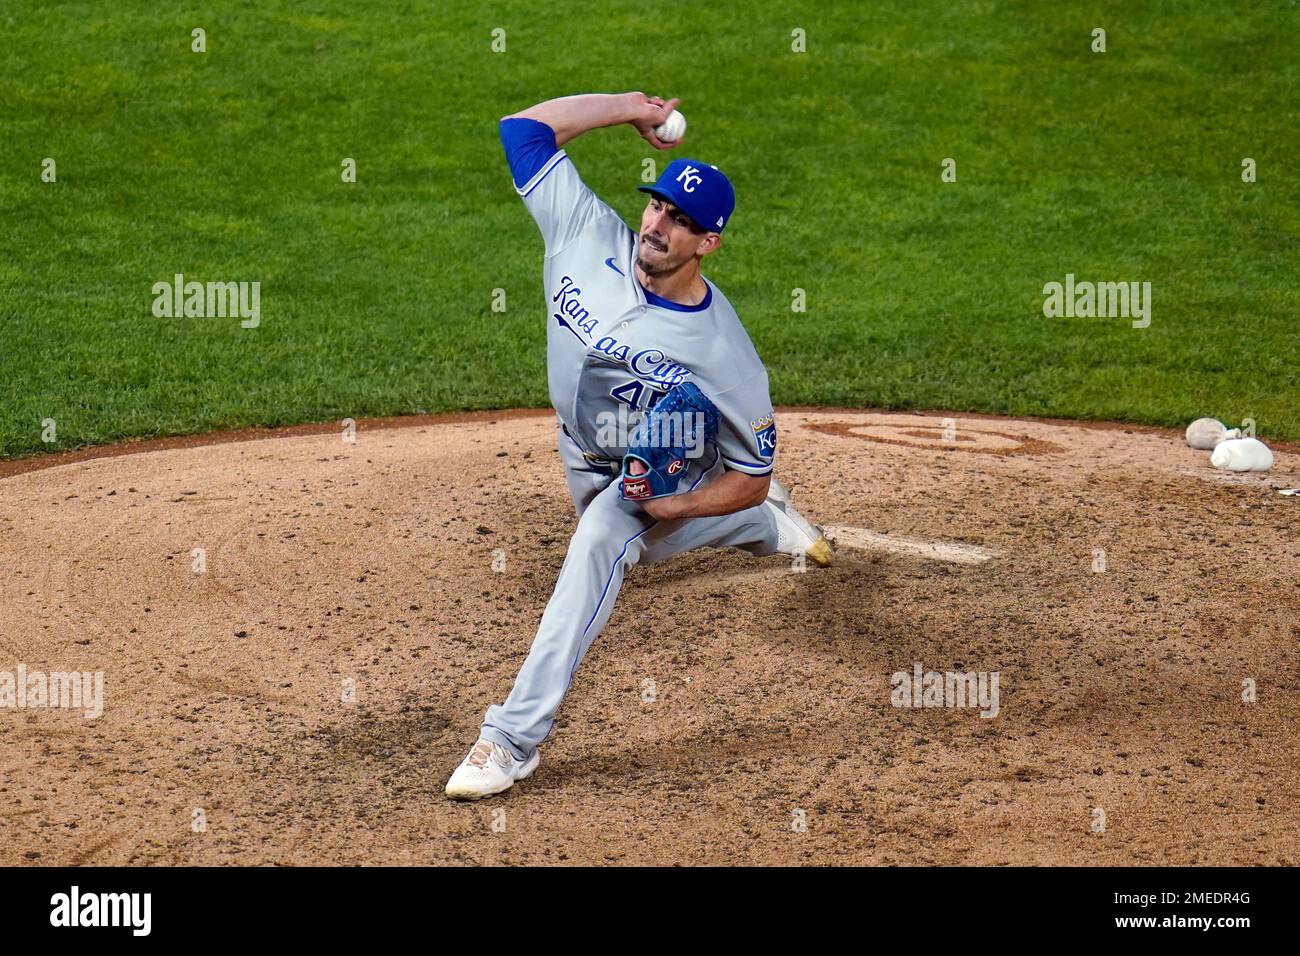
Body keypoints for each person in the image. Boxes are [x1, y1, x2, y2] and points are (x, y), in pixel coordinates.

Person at [445, 92, 831, 800]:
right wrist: (630, 108)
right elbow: (523, 129)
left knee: (599, 545)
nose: (659, 225)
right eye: (657, 207)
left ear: (707, 243)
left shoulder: (725, 352)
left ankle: (510, 740)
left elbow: (751, 469)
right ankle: (768, 525)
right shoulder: (583, 230)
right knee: (669, 531)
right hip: (579, 452)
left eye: (682, 222)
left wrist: (676, 499)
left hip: (650, 471)